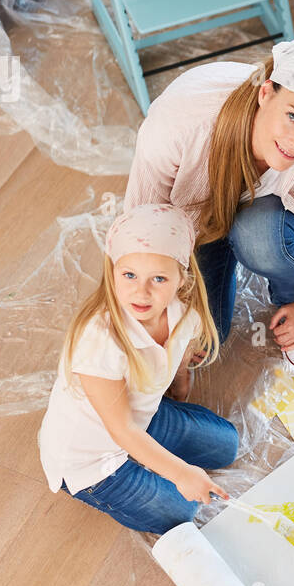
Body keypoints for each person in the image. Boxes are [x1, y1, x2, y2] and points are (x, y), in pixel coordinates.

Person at [124, 33, 294, 377]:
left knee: (258, 237)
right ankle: (218, 249)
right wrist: (153, 314)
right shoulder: (178, 125)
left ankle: (290, 294)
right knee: (207, 342)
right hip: (196, 222)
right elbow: (142, 226)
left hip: (262, 219)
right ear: (266, 92)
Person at [38, 204, 238, 535]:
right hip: (90, 458)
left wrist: (181, 378)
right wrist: (180, 472)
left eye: (158, 279)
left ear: (181, 279)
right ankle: (139, 466)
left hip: (139, 417)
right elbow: (121, 430)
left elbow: (181, 352)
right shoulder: (99, 340)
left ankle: (152, 454)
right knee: (182, 511)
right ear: (113, 272)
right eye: (129, 275)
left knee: (227, 445)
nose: (141, 293)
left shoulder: (183, 313)